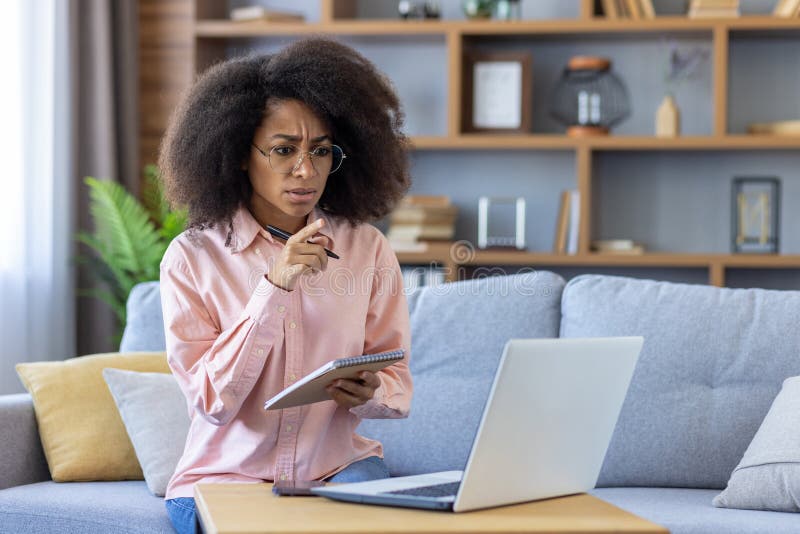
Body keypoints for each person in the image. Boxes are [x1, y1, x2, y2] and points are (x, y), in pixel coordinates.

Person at [157, 38, 413, 534]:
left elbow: (398, 384)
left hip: (338, 470)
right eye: (283, 150)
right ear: (236, 154)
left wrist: (366, 392)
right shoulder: (192, 259)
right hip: (224, 478)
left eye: (320, 151)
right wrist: (275, 285)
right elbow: (211, 402)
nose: (306, 170)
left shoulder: (367, 249)